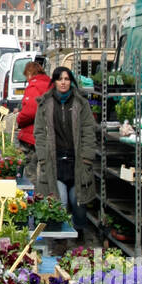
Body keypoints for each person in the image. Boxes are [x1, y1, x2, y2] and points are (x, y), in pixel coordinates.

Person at [33, 67, 97, 240]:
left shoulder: (80, 103)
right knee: (59, 201)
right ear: (54, 81)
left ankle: (79, 233)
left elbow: (89, 131)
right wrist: (42, 157)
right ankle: (59, 239)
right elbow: (39, 132)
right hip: (55, 161)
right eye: (60, 79)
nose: (63, 82)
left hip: (77, 161)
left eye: (67, 79)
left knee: (78, 201)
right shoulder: (45, 103)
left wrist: (87, 158)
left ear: (71, 81)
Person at [16, 60, 51, 180]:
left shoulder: (34, 85)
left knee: (29, 171)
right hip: (47, 134)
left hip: (31, 134)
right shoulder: (49, 84)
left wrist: (19, 119)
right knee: (45, 170)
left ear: (30, 73)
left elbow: (30, 111)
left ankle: (31, 196)